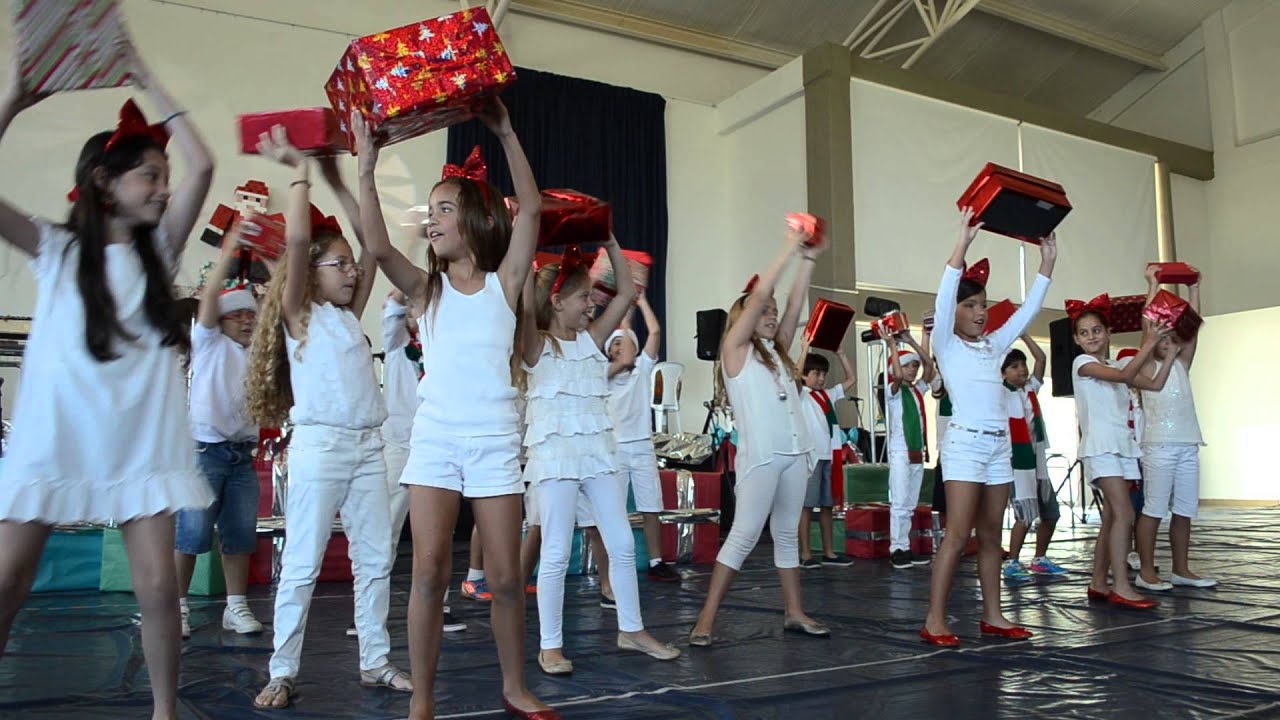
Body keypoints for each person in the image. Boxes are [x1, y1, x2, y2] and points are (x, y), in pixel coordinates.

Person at [0, 49, 215, 720]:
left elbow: (205, 164)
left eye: (164, 177)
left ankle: (164, 710)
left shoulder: (161, 252)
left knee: (158, 588)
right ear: (103, 182)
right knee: (7, 579)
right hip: (56, 434)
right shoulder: (57, 250)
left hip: (138, 441)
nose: (163, 188)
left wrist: (149, 82)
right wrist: (15, 101)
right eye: (149, 175)